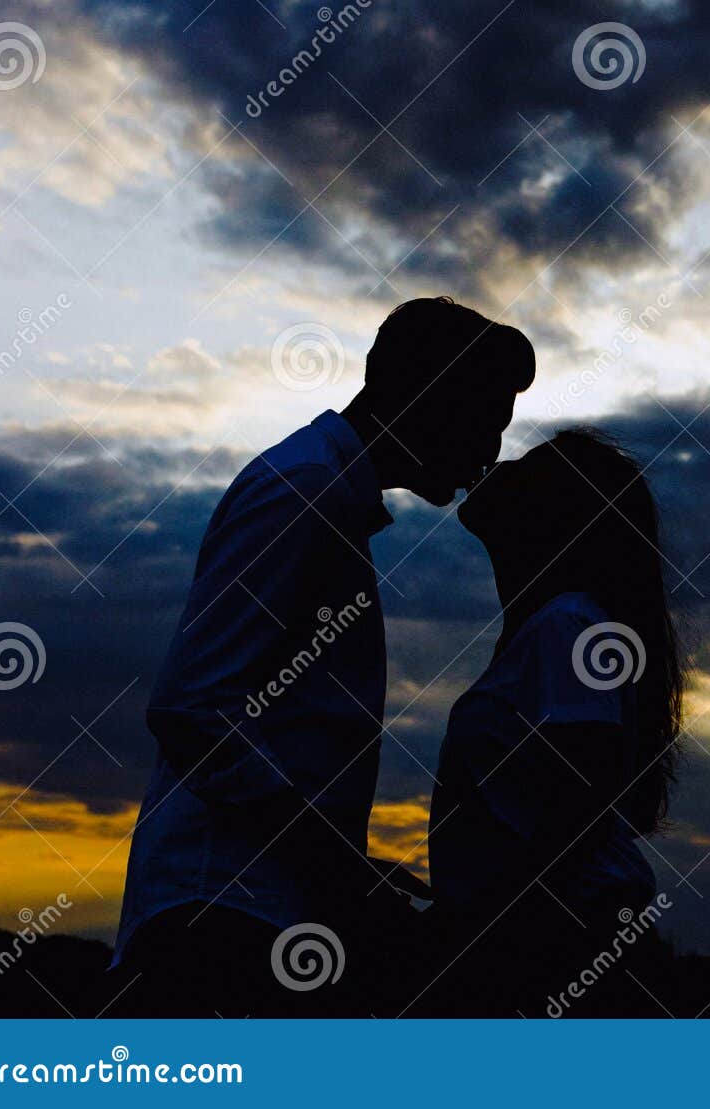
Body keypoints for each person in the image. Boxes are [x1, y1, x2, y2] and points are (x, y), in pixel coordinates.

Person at [112, 298, 534, 1016]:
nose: (490, 452)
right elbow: (193, 709)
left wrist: (343, 869)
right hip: (226, 917)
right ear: (429, 398)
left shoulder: (320, 491)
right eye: (486, 419)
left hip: (245, 911)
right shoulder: (305, 491)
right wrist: (340, 868)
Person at [421, 429, 685, 1015]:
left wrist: (484, 923)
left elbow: (579, 805)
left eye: (524, 466)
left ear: (548, 516)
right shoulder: (555, 630)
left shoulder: (565, 627)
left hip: (562, 946)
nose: (499, 466)